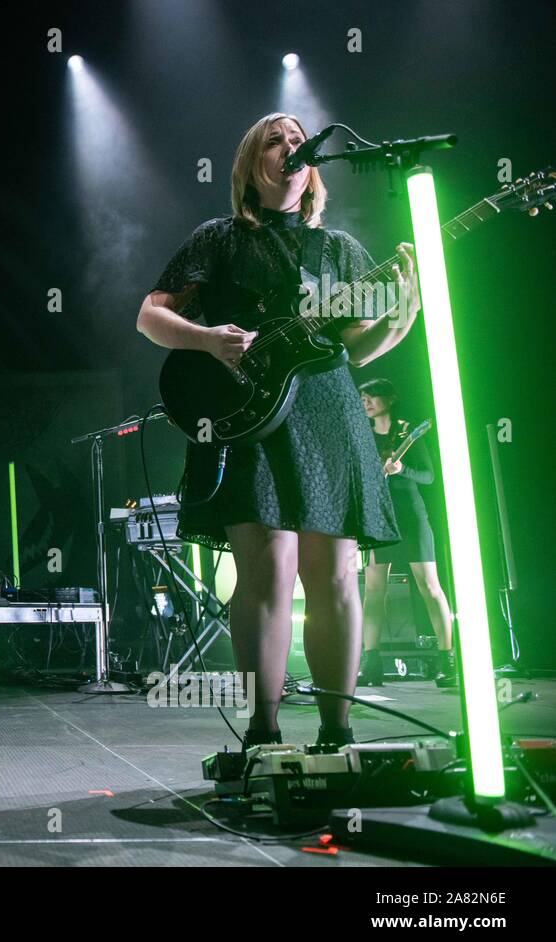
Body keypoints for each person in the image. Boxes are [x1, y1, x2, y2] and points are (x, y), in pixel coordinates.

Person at [136, 113, 421, 749]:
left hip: (329, 411)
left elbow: (357, 348)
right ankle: (262, 733)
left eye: (298, 142)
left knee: (336, 574)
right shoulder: (218, 239)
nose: (290, 148)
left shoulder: (341, 250)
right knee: (265, 571)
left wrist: (403, 315)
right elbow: (150, 317)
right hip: (250, 412)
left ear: (313, 167)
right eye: (275, 140)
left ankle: (335, 731)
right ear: (250, 166)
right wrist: (209, 340)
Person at [357, 379, 456, 687]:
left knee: (430, 586)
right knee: (373, 591)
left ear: (391, 398)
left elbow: (429, 476)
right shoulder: (363, 435)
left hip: (411, 518)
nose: (367, 401)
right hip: (378, 518)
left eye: (373, 396)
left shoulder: (408, 433)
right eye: (363, 397)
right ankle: (370, 664)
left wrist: (403, 471)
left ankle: (447, 661)